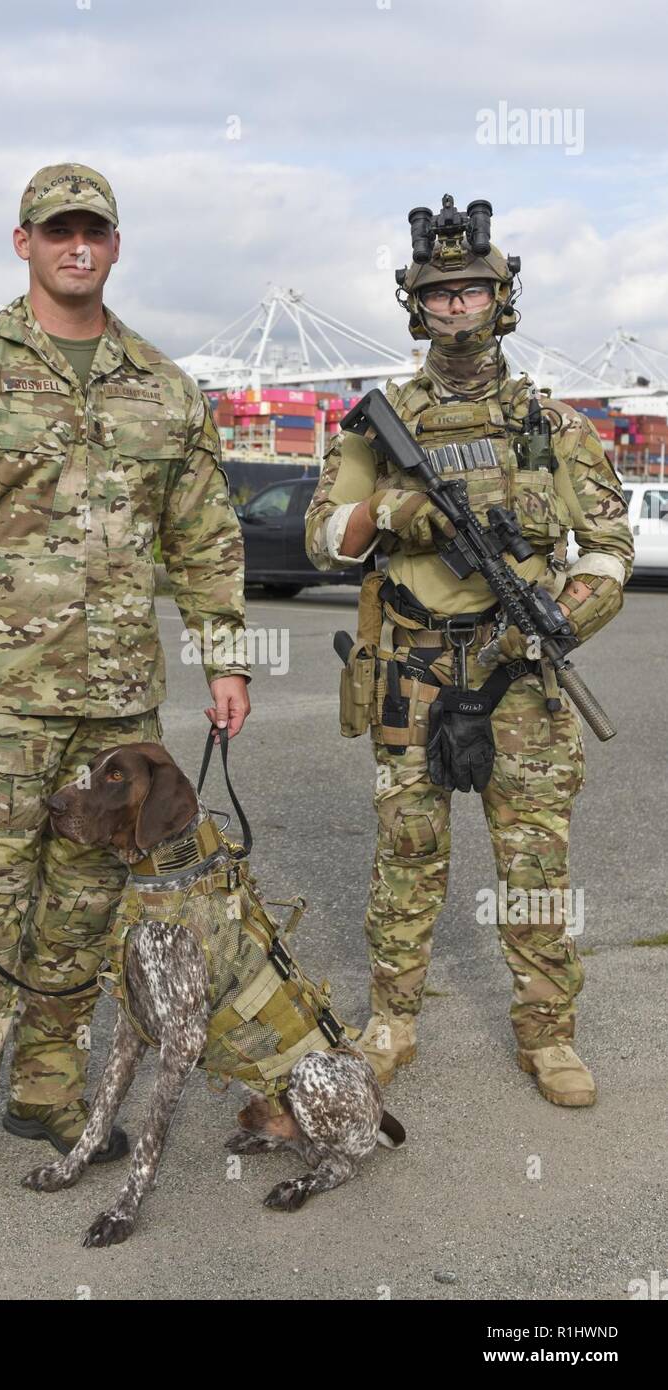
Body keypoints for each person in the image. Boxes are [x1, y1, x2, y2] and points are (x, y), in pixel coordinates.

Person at [0, 162, 251, 1234]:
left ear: (114, 247)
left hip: (114, 707)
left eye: (94, 231)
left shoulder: (162, 386)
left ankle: (44, 1091)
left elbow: (205, 539)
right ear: (23, 241)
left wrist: (226, 657)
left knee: (83, 916)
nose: (77, 246)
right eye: (57, 230)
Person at [305, 194, 633, 1108]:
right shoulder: (379, 424)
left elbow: (609, 548)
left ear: (501, 300)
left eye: (471, 292)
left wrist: (560, 619)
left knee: (533, 861)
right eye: (440, 294)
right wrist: (394, 513)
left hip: (521, 675)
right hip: (413, 666)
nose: (457, 308)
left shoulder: (552, 424)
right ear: (417, 307)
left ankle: (548, 1035)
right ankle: (391, 1023)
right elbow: (325, 538)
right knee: (405, 853)